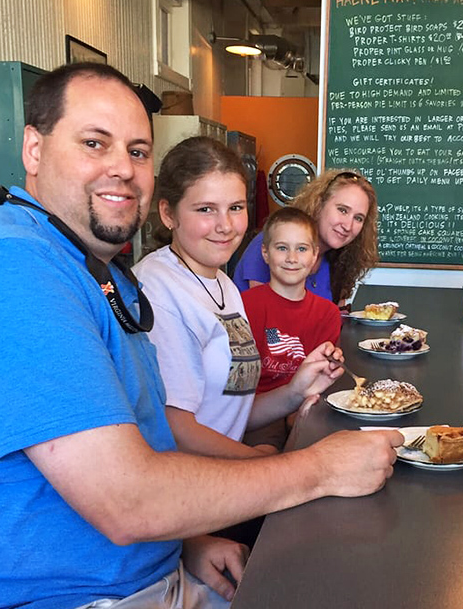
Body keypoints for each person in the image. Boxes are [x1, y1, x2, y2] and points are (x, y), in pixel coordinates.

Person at [0, 62, 403, 609]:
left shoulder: (102, 277)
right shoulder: (10, 270)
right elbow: (127, 497)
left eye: (134, 150)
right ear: (33, 148)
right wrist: (316, 467)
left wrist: (188, 542)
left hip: (142, 584)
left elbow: (140, 447)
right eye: (94, 142)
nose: (120, 169)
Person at [134, 137, 343, 461]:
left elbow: (231, 411)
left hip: (224, 467)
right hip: (192, 485)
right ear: (167, 213)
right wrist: (271, 466)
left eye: (236, 208)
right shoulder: (158, 291)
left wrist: (295, 391)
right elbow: (177, 431)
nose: (226, 226)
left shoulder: (224, 284)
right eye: (206, 209)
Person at [232, 168, 379, 305]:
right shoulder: (273, 242)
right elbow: (268, 322)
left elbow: (337, 318)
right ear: (318, 204)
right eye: (342, 210)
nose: (348, 226)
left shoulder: (338, 261)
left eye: (358, 218)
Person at [242, 206, 342, 395]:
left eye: (302, 249)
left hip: (303, 409)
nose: (292, 258)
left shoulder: (328, 314)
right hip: (251, 413)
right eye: (282, 248)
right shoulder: (243, 306)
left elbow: (317, 381)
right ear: (265, 253)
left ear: (314, 255)